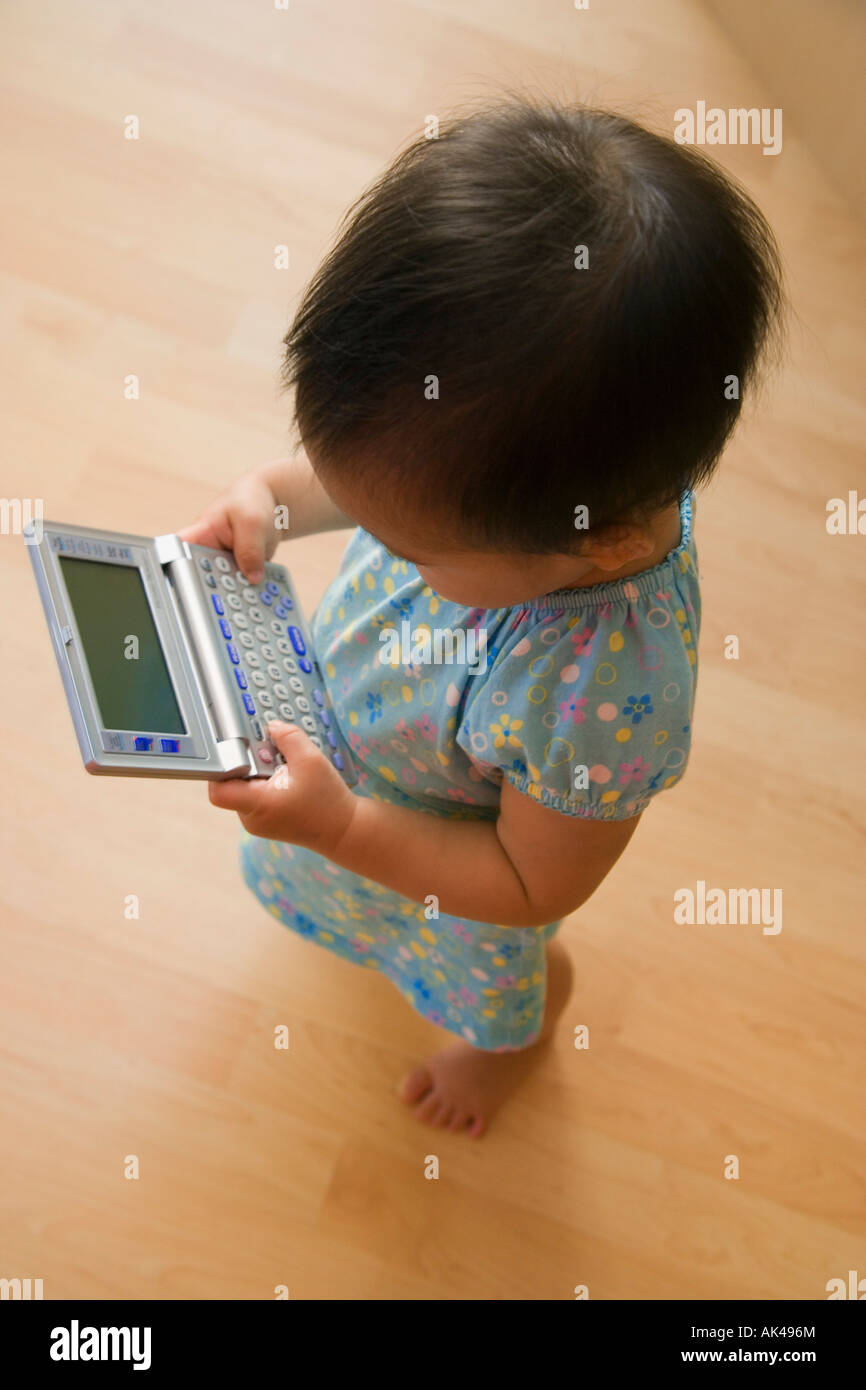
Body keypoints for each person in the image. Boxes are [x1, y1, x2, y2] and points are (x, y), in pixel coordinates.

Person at [180, 95, 785, 1138]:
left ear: (595, 544)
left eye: (405, 547)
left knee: (493, 982)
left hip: (449, 876)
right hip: (366, 768)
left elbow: (520, 878)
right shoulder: (511, 497)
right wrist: (271, 499)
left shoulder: (600, 692)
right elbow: (374, 479)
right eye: (347, 488)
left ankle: (522, 1036)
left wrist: (342, 827)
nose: (371, 534)